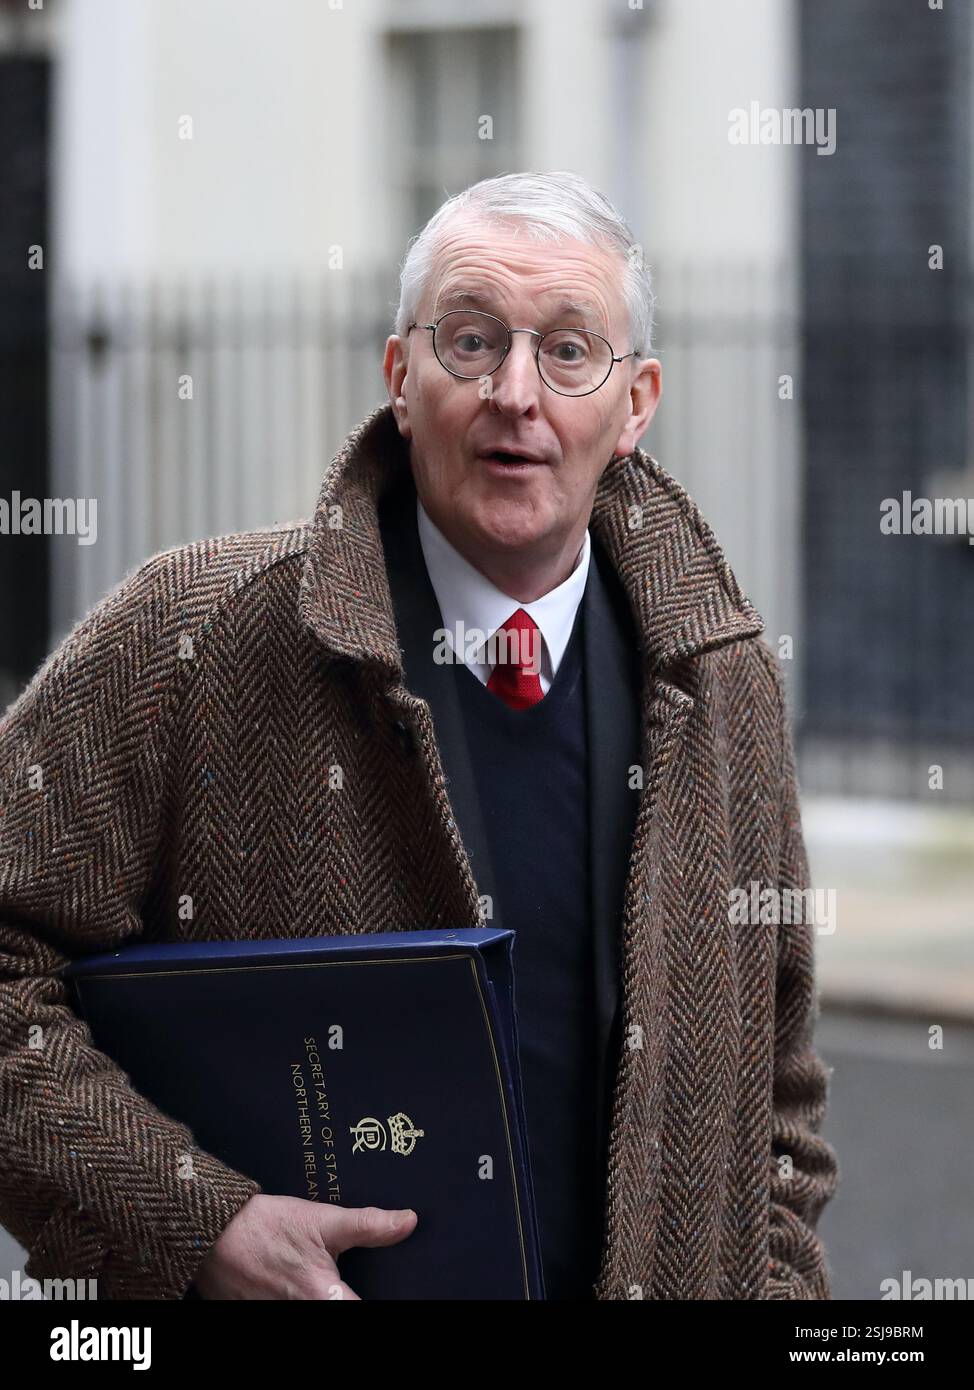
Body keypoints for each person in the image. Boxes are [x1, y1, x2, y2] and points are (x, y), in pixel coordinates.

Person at [0, 171, 838, 1300]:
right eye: (470, 340)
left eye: (568, 351)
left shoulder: (721, 677)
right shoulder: (186, 636)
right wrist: (201, 1224)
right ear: (400, 377)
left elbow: (779, 1093)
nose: (514, 394)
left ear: (635, 404)